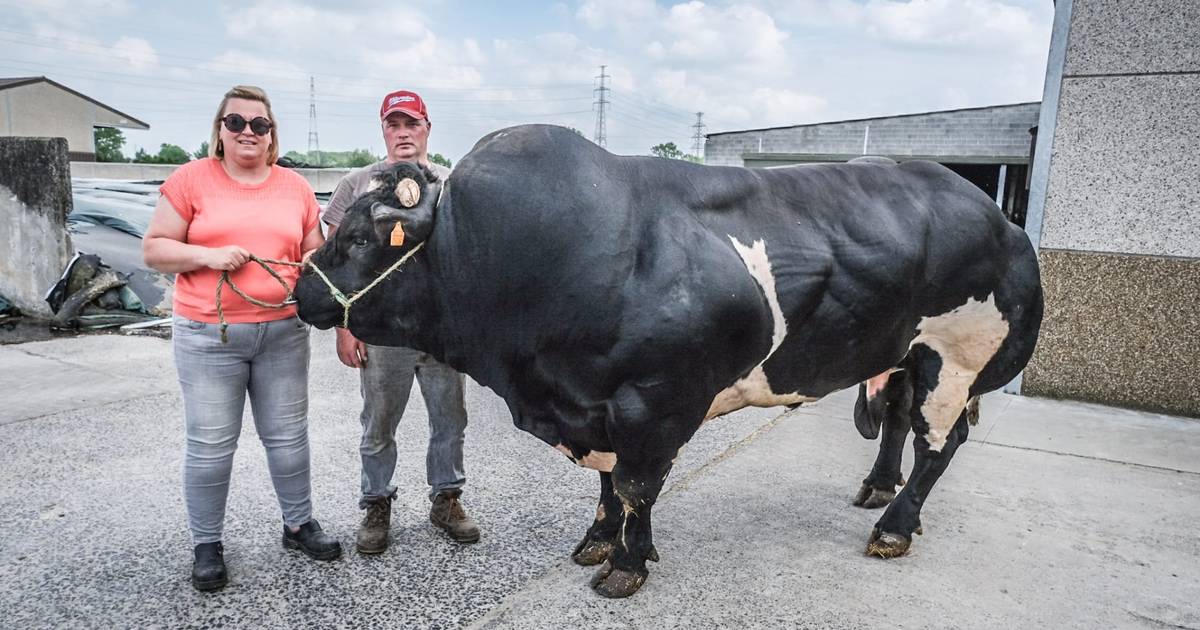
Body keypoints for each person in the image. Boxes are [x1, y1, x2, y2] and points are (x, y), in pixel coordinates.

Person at [143, 85, 341, 592]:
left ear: (272, 134)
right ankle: (207, 544)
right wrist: (208, 256)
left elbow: (314, 256)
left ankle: (298, 525)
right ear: (220, 130)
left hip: (282, 333)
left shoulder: (295, 187)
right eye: (237, 123)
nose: (248, 132)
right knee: (211, 447)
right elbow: (155, 250)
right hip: (210, 335)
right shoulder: (191, 179)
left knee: (288, 438)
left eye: (260, 124)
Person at [321, 89, 479, 554]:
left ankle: (446, 500)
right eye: (394, 124)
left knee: (450, 421)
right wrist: (345, 328)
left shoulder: (449, 184)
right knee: (378, 424)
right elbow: (334, 261)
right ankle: (376, 505)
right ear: (383, 129)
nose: (403, 132)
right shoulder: (357, 184)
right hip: (383, 332)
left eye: (412, 123)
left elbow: (469, 260)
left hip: (439, 332)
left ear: (427, 128)